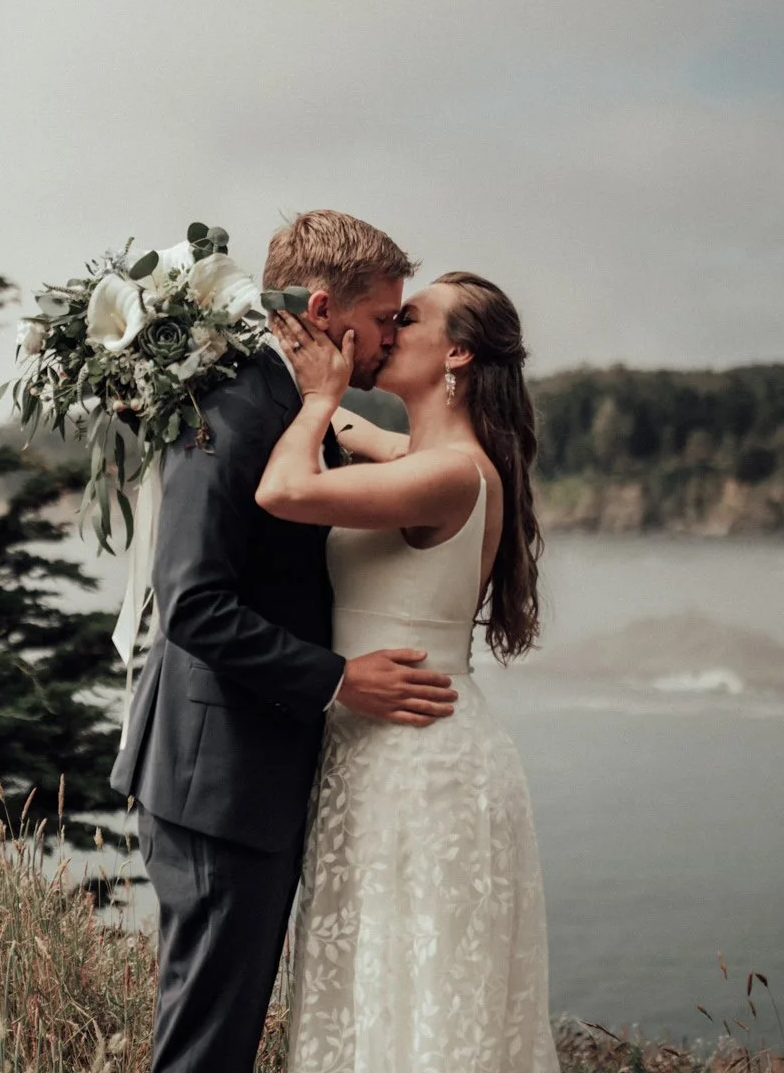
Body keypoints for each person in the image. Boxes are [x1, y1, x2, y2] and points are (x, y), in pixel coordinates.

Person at [108, 211, 463, 1073]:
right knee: (205, 1047)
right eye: (384, 318)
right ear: (321, 308)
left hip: (247, 771)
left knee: (218, 1037)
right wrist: (341, 681)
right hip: (217, 780)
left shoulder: (303, 407)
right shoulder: (230, 406)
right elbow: (191, 601)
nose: (387, 337)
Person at [262, 271, 556, 1073]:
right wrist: (306, 367)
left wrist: (319, 401)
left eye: (409, 319)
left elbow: (286, 489)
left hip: (421, 764)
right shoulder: (434, 457)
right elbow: (377, 441)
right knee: (376, 991)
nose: (387, 331)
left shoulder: (453, 473)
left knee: (423, 997)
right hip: (378, 752)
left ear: (457, 351)